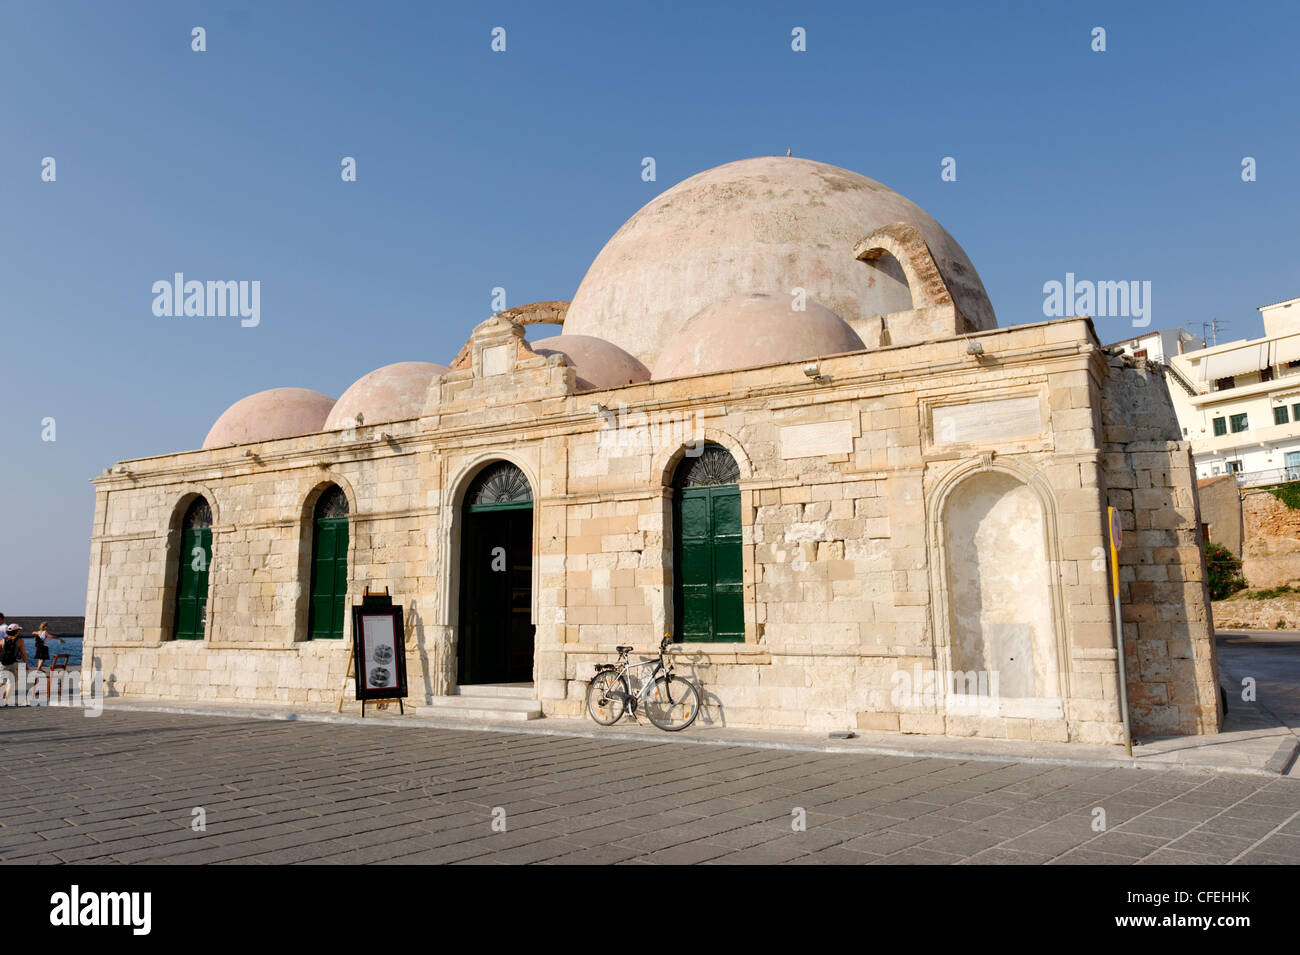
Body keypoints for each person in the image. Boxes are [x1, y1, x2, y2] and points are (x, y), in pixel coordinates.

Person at [1, 624, 27, 705]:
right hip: (14, 663)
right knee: (12, 681)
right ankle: (5, 700)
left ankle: (4, 697)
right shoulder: (20, 641)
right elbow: (23, 653)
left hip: (3, 663)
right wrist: (26, 664)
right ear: (16, 632)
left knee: (2, 682)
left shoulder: (2, 640)